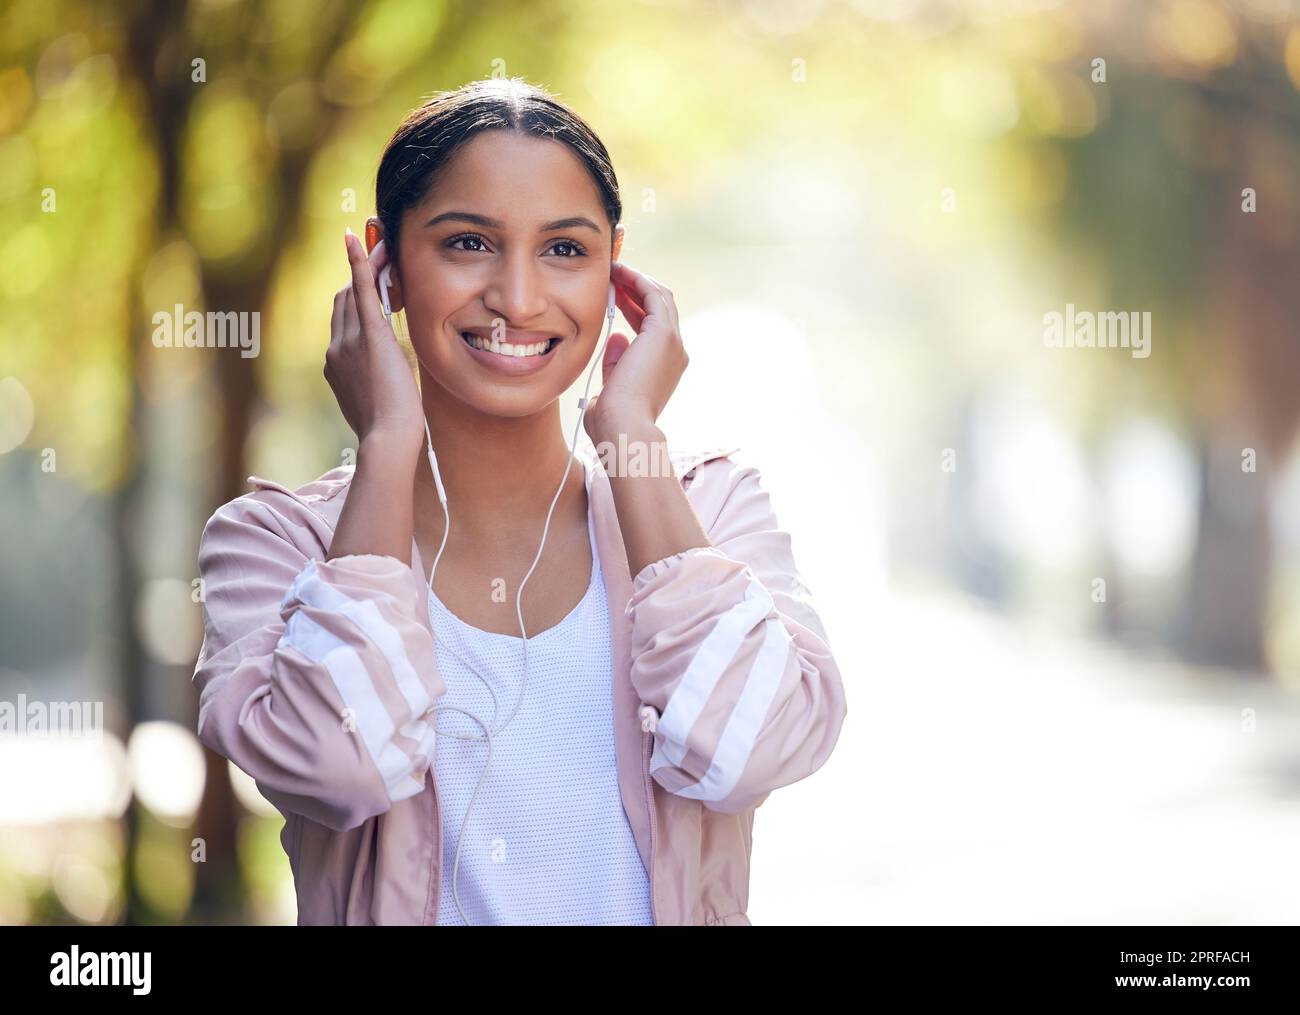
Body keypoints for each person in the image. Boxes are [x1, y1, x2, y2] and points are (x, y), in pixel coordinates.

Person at [191, 76, 847, 925]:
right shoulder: (278, 544)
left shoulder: (709, 512)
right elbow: (337, 766)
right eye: (468, 242)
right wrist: (387, 442)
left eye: (565, 250)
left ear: (616, 268)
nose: (520, 296)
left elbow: (755, 747)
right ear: (383, 265)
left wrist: (632, 433)